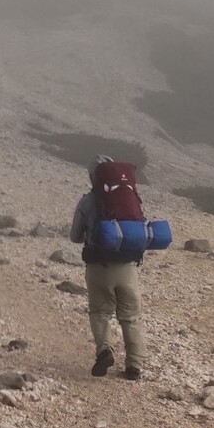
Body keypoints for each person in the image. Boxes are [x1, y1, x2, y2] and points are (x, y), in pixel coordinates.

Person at [69, 156, 146, 381]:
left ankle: (105, 350)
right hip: (127, 267)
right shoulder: (130, 198)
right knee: (131, 317)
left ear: (93, 176)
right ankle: (134, 366)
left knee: (100, 313)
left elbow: (74, 236)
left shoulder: (87, 202)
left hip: (98, 266)